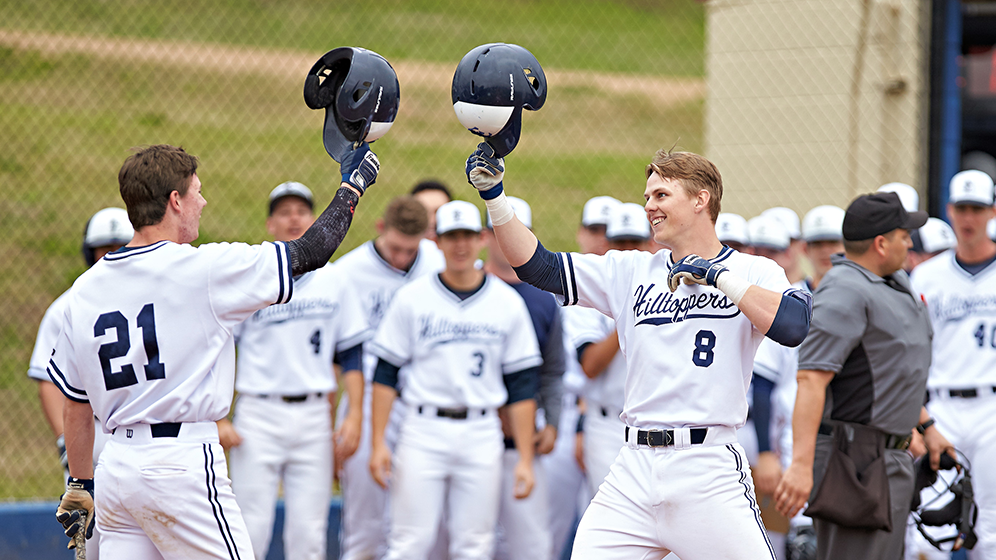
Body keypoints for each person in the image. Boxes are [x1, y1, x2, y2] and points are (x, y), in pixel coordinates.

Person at [466, 142, 812, 559]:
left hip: (707, 467)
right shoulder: (631, 270)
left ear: (701, 200)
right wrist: (495, 198)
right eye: (647, 197)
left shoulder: (751, 270)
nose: (649, 206)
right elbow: (538, 266)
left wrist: (719, 277)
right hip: (633, 464)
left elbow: (795, 325)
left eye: (661, 195)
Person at [49, 142, 381, 558]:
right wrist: (353, 185)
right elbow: (310, 252)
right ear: (175, 201)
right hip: (180, 465)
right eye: (196, 192)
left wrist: (80, 484)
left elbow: (76, 403)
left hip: (116, 468)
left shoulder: (85, 290)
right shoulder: (202, 270)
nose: (202, 202)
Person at [775, 191, 956, 560]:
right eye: (904, 235)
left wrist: (927, 426)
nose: (909, 242)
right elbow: (812, 379)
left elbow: (890, 374)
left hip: (885, 457)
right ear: (880, 243)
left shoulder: (890, 282)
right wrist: (799, 465)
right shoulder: (845, 289)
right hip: (853, 461)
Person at [368, 200, 542, 560]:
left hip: (481, 432)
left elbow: (522, 384)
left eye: (466, 235)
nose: (460, 245)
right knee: (409, 542)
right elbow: (385, 373)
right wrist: (378, 442)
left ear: (481, 238)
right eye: (451, 236)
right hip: (422, 429)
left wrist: (525, 457)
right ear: (436, 240)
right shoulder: (412, 298)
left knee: (475, 544)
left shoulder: (506, 302)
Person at [222, 182, 368, 560]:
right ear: (271, 224)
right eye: (284, 212)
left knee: (309, 533)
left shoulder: (335, 278)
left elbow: (351, 352)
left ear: (314, 218)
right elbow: (217, 347)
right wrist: (219, 415)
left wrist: (354, 412)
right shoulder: (254, 275)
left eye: (301, 211)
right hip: (258, 413)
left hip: (314, 414)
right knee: (250, 527)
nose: (293, 218)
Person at [333, 195, 444, 560]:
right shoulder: (347, 272)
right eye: (395, 248)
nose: (401, 258)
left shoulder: (437, 263)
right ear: (380, 228)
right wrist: (342, 416)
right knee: (364, 522)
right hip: (365, 400)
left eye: (409, 250)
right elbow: (338, 356)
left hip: (420, 403)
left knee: (418, 522)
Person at [28, 207, 134, 559]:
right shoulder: (66, 307)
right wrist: (64, 438)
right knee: (91, 542)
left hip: (137, 434)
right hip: (89, 435)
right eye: (105, 248)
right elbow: (47, 378)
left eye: (122, 245)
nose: (114, 254)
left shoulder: (144, 300)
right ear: (90, 254)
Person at [910, 169, 996, 559]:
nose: (968, 218)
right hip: (941, 410)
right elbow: (909, 355)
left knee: (991, 527)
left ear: (991, 212)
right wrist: (919, 419)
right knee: (928, 524)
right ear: (949, 210)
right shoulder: (927, 276)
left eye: (977, 208)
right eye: (962, 208)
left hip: (992, 409)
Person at [483, 196, 566, 560]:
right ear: (485, 236)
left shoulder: (543, 299)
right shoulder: (465, 287)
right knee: (466, 544)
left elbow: (553, 370)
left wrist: (552, 421)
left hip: (523, 444)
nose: (505, 240)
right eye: (497, 231)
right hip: (471, 434)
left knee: (532, 546)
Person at [574, 203, 653, 498]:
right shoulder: (588, 295)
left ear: (651, 243)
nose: (629, 251)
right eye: (621, 243)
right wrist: (631, 313)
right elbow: (590, 365)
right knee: (613, 521)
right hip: (607, 425)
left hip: (657, 425)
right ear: (608, 246)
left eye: (636, 242)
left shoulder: (669, 292)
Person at [798, 206, 845, 293]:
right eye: (817, 244)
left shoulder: (862, 292)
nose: (825, 250)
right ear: (805, 249)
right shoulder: (790, 295)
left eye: (833, 242)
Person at [761, 207, 805, 284]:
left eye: (788, 241)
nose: (782, 250)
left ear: (800, 245)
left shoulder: (815, 291)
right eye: (770, 244)